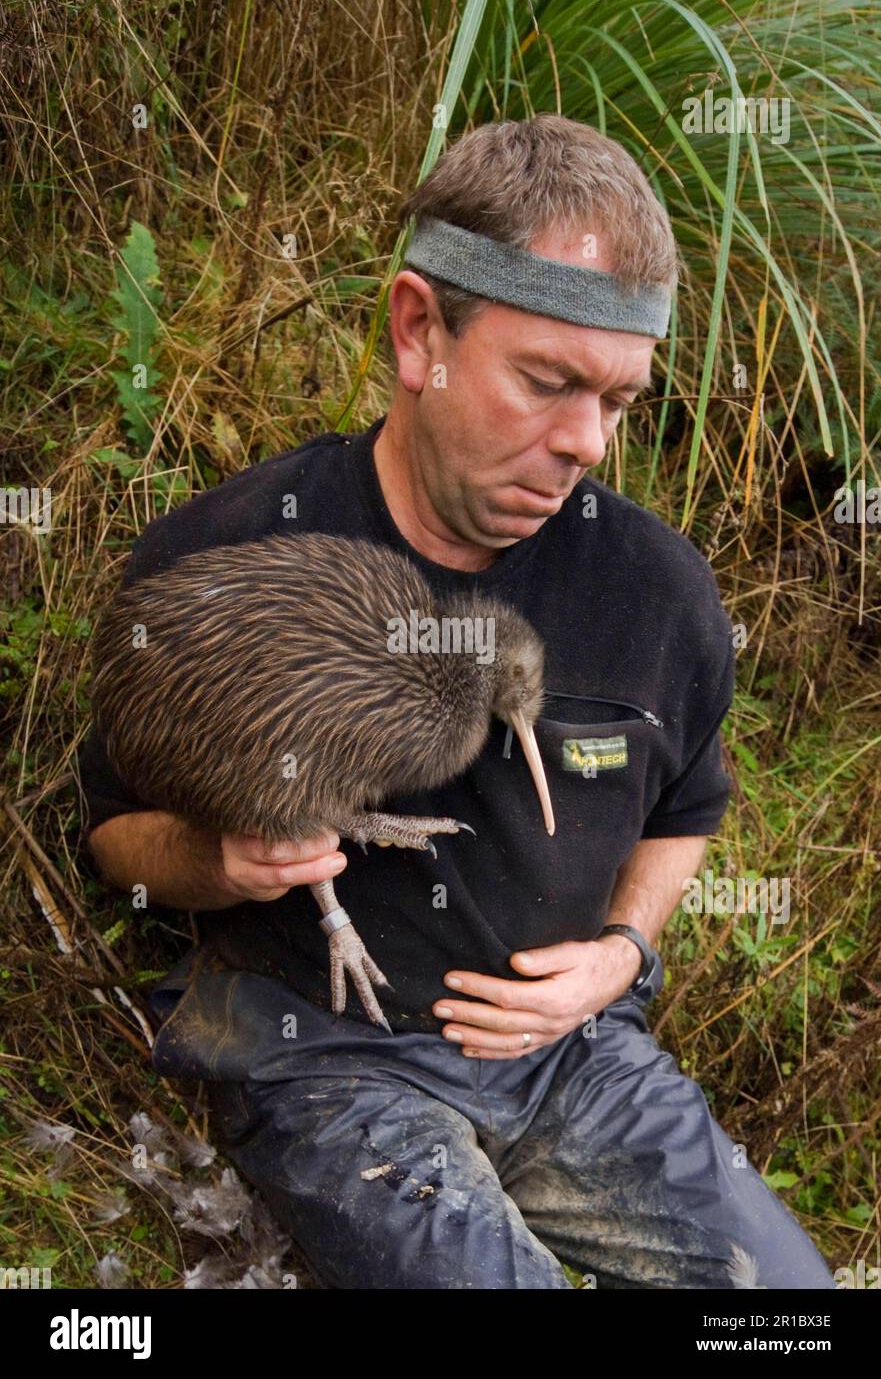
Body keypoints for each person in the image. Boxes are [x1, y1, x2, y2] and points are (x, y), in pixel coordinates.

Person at [78, 115, 834, 1289]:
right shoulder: (229, 556)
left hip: (576, 1056)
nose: (585, 441)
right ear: (418, 329)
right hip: (329, 1060)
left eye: (619, 402)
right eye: (546, 382)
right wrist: (223, 861)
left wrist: (620, 957)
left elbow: (686, 810)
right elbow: (116, 837)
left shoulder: (656, 591)